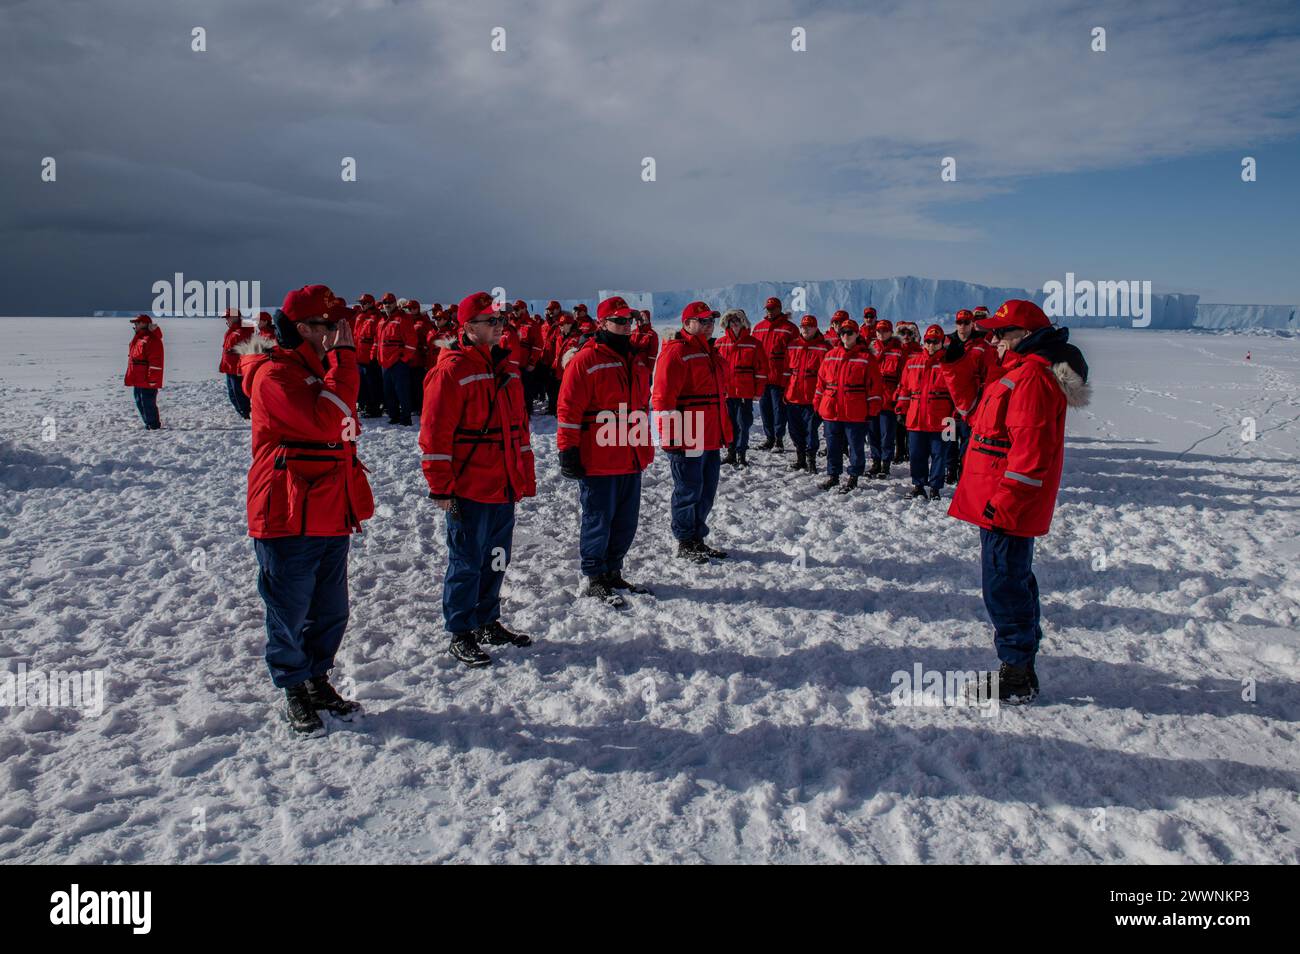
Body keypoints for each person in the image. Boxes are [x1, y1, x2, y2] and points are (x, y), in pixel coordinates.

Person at [239, 285, 373, 736]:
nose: (339, 333)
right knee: (289, 607)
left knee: (330, 606)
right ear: (303, 329)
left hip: (330, 506)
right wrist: (345, 361)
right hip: (288, 509)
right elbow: (329, 421)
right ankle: (293, 686)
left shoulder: (316, 369)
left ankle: (317, 677)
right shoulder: (274, 375)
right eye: (330, 325)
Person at [944, 299, 1090, 703]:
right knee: (1011, 581)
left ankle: (1017, 675)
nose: (993, 340)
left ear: (1024, 335)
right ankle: (1019, 665)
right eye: (991, 334)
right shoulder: (1016, 374)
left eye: (1001, 334)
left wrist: (1004, 505)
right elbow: (975, 416)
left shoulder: (1032, 379)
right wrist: (955, 364)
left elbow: (1031, 454)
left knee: (1004, 586)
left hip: (1006, 507)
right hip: (997, 502)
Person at [420, 291, 536, 668]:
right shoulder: (450, 370)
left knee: (497, 558)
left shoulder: (506, 368)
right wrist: (440, 486)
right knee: (467, 560)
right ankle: (460, 631)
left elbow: (519, 430)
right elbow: (435, 434)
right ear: (467, 327)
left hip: (502, 484)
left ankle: (487, 619)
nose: (498, 327)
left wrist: (522, 477)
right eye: (490, 321)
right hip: (469, 487)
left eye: (500, 321)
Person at [557, 295, 655, 607]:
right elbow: (569, 408)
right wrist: (567, 450)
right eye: (620, 320)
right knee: (599, 517)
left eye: (630, 320)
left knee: (626, 520)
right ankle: (594, 575)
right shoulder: (586, 360)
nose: (627, 326)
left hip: (630, 453)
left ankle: (613, 570)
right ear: (603, 323)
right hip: (599, 456)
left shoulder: (635, 358)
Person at [652, 301, 733, 564]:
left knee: (706, 490)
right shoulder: (676, 353)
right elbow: (663, 399)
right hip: (687, 433)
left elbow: (720, 396)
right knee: (688, 490)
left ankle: (698, 537)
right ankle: (686, 541)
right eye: (703, 321)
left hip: (710, 433)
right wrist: (672, 436)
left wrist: (723, 431)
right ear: (687, 324)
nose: (709, 325)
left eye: (711, 321)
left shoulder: (711, 352)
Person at [814, 319, 882, 492]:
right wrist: (818, 402)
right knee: (832, 444)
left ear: (857, 334)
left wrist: (872, 409)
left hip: (855, 409)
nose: (846, 335)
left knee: (855, 445)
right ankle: (833, 475)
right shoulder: (830, 355)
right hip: (832, 408)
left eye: (850, 332)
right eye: (843, 332)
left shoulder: (866, 358)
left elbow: (874, 386)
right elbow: (821, 382)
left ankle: (854, 476)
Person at [896, 324, 956, 500]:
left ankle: (936, 487)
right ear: (924, 342)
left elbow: (957, 393)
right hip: (916, 418)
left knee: (941, 454)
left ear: (941, 343)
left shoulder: (950, 363)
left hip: (945, 420)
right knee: (916, 454)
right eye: (929, 341)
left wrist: (956, 416)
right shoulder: (912, 363)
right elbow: (905, 389)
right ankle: (918, 485)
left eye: (935, 342)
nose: (931, 345)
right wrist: (901, 409)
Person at [945, 308, 1001, 484]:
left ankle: (963, 470)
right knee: (949, 440)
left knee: (968, 441)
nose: (963, 326)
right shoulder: (947, 342)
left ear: (972, 324)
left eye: (966, 322)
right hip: (948, 402)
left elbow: (989, 372)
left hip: (972, 403)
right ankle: (950, 470)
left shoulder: (981, 345)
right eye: (960, 322)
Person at [715, 309, 769, 468]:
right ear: (727, 323)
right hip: (726, 392)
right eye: (731, 321)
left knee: (743, 423)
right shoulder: (720, 343)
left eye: (738, 320)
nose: (735, 323)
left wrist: (758, 392)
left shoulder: (754, 344)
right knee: (728, 423)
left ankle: (741, 454)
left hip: (744, 392)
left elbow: (761, 370)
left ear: (743, 322)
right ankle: (731, 453)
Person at [784, 314, 831, 473]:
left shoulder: (824, 347)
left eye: (809, 326)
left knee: (811, 430)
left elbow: (827, 375)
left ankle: (811, 459)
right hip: (793, 396)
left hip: (812, 398)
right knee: (794, 430)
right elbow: (786, 371)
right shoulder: (793, 345)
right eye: (803, 326)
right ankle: (800, 459)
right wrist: (785, 391)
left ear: (816, 328)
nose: (806, 329)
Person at [752, 298, 796, 451]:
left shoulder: (790, 329)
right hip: (763, 377)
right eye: (768, 309)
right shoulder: (758, 328)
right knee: (765, 409)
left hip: (779, 377)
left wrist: (788, 376)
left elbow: (794, 355)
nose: (770, 311)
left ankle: (778, 439)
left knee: (779, 409)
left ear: (779, 309)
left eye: (773, 308)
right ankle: (769, 438)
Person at [866, 318, 905, 478]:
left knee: (887, 434)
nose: (881, 334)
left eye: (885, 331)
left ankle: (885, 464)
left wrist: (897, 396)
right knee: (872, 432)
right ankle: (875, 462)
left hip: (888, 399)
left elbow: (903, 377)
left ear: (890, 332)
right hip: (872, 398)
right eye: (878, 331)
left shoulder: (898, 351)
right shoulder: (871, 349)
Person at [378, 296, 417, 425]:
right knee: (388, 392)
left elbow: (411, 342)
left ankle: (406, 418)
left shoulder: (403, 319)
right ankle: (394, 416)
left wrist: (403, 359)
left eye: (389, 302)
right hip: (385, 363)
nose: (387, 305)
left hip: (398, 363)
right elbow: (379, 342)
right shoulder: (383, 320)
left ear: (395, 303)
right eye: (385, 303)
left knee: (402, 391)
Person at [124, 313, 164, 429]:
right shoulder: (139, 338)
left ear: (144, 324)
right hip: (138, 378)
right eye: (135, 323)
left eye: (137, 322)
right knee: (140, 402)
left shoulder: (151, 340)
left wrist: (153, 379)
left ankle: (153, 426)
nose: (135, 325)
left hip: (147, 379)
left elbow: (155, 362)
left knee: (148, 403)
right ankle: (149, 424)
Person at [894, 321, 921, 462]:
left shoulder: (919, 351)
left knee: (910, 420)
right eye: (903, 333)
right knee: (898, 422)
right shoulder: (896, 350)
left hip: (913, 390)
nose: (906, 336)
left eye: (909, 333)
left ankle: (910, 450)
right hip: (897, 389)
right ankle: (899, 450)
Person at [219, 309, 253, 419]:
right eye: (226, 318)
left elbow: (247, 349)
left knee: (239, 393)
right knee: (232, 393)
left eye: (228, 317)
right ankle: (243, 412)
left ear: (235, 317)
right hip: (229, 367)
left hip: (237, 369)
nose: (227, 320)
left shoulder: (242, 331)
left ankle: (246, 413)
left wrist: (235, 351)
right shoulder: (232, 330)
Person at [630, 310, 659, 380]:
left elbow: (653, 354)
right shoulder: (633, 332)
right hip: (632, 368)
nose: (640, 319)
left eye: (643, 317)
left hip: (644, 368)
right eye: (639, 317)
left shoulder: (652, 334)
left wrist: (649, 371)